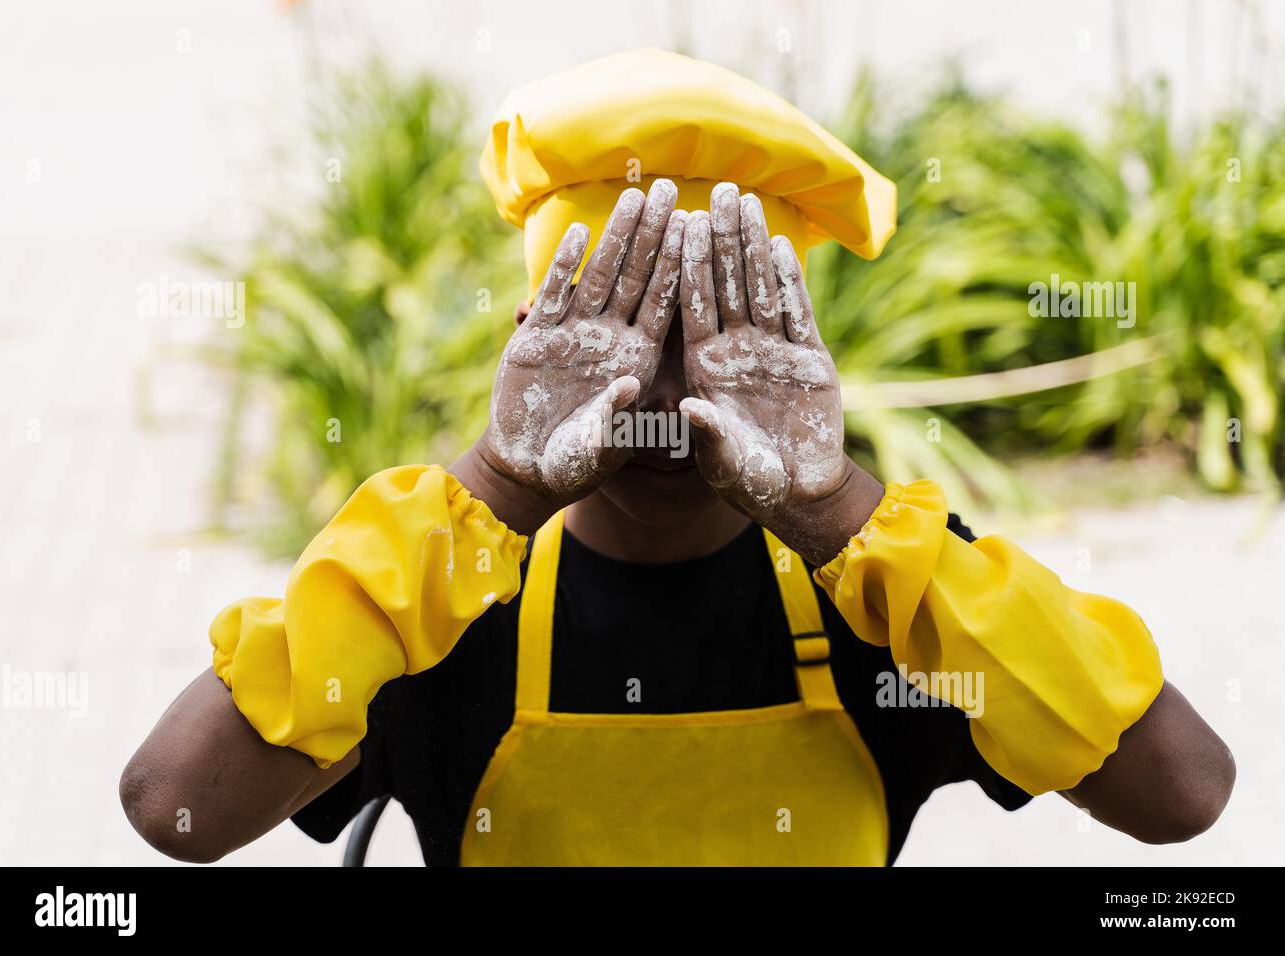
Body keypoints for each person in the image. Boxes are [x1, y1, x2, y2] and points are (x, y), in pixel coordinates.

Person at [121, 50, 1234, 866]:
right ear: (528, 344)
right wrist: (496, 484)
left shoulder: (888, 603)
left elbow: (1182, 790)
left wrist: (838, 507)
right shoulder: (445, 607)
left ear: (804, 354)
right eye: (617, 339)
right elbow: (175, 804)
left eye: (719, 345)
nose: (663, 398)